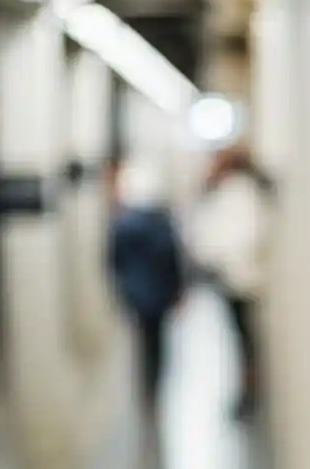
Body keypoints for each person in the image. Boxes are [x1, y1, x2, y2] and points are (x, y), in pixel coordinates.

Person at [186, 147, 275, 419]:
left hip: (241, 277)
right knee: (240, 338)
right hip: (233, 276)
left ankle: (249, 392)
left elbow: (244, 235)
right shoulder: (233, 192)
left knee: (245, 339)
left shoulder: (239, 194)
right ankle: (245, 390)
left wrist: (218, 254)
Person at [110, 159, 184, 416]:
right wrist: (178, 290)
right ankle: (155, 382)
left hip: (136, 292)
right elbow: (172, 258)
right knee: (157, 341)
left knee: (143, 339)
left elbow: (113, 260)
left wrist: (119, 287)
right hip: (158, 292)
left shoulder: (123, 224)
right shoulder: (160, 223)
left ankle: (147, 386)